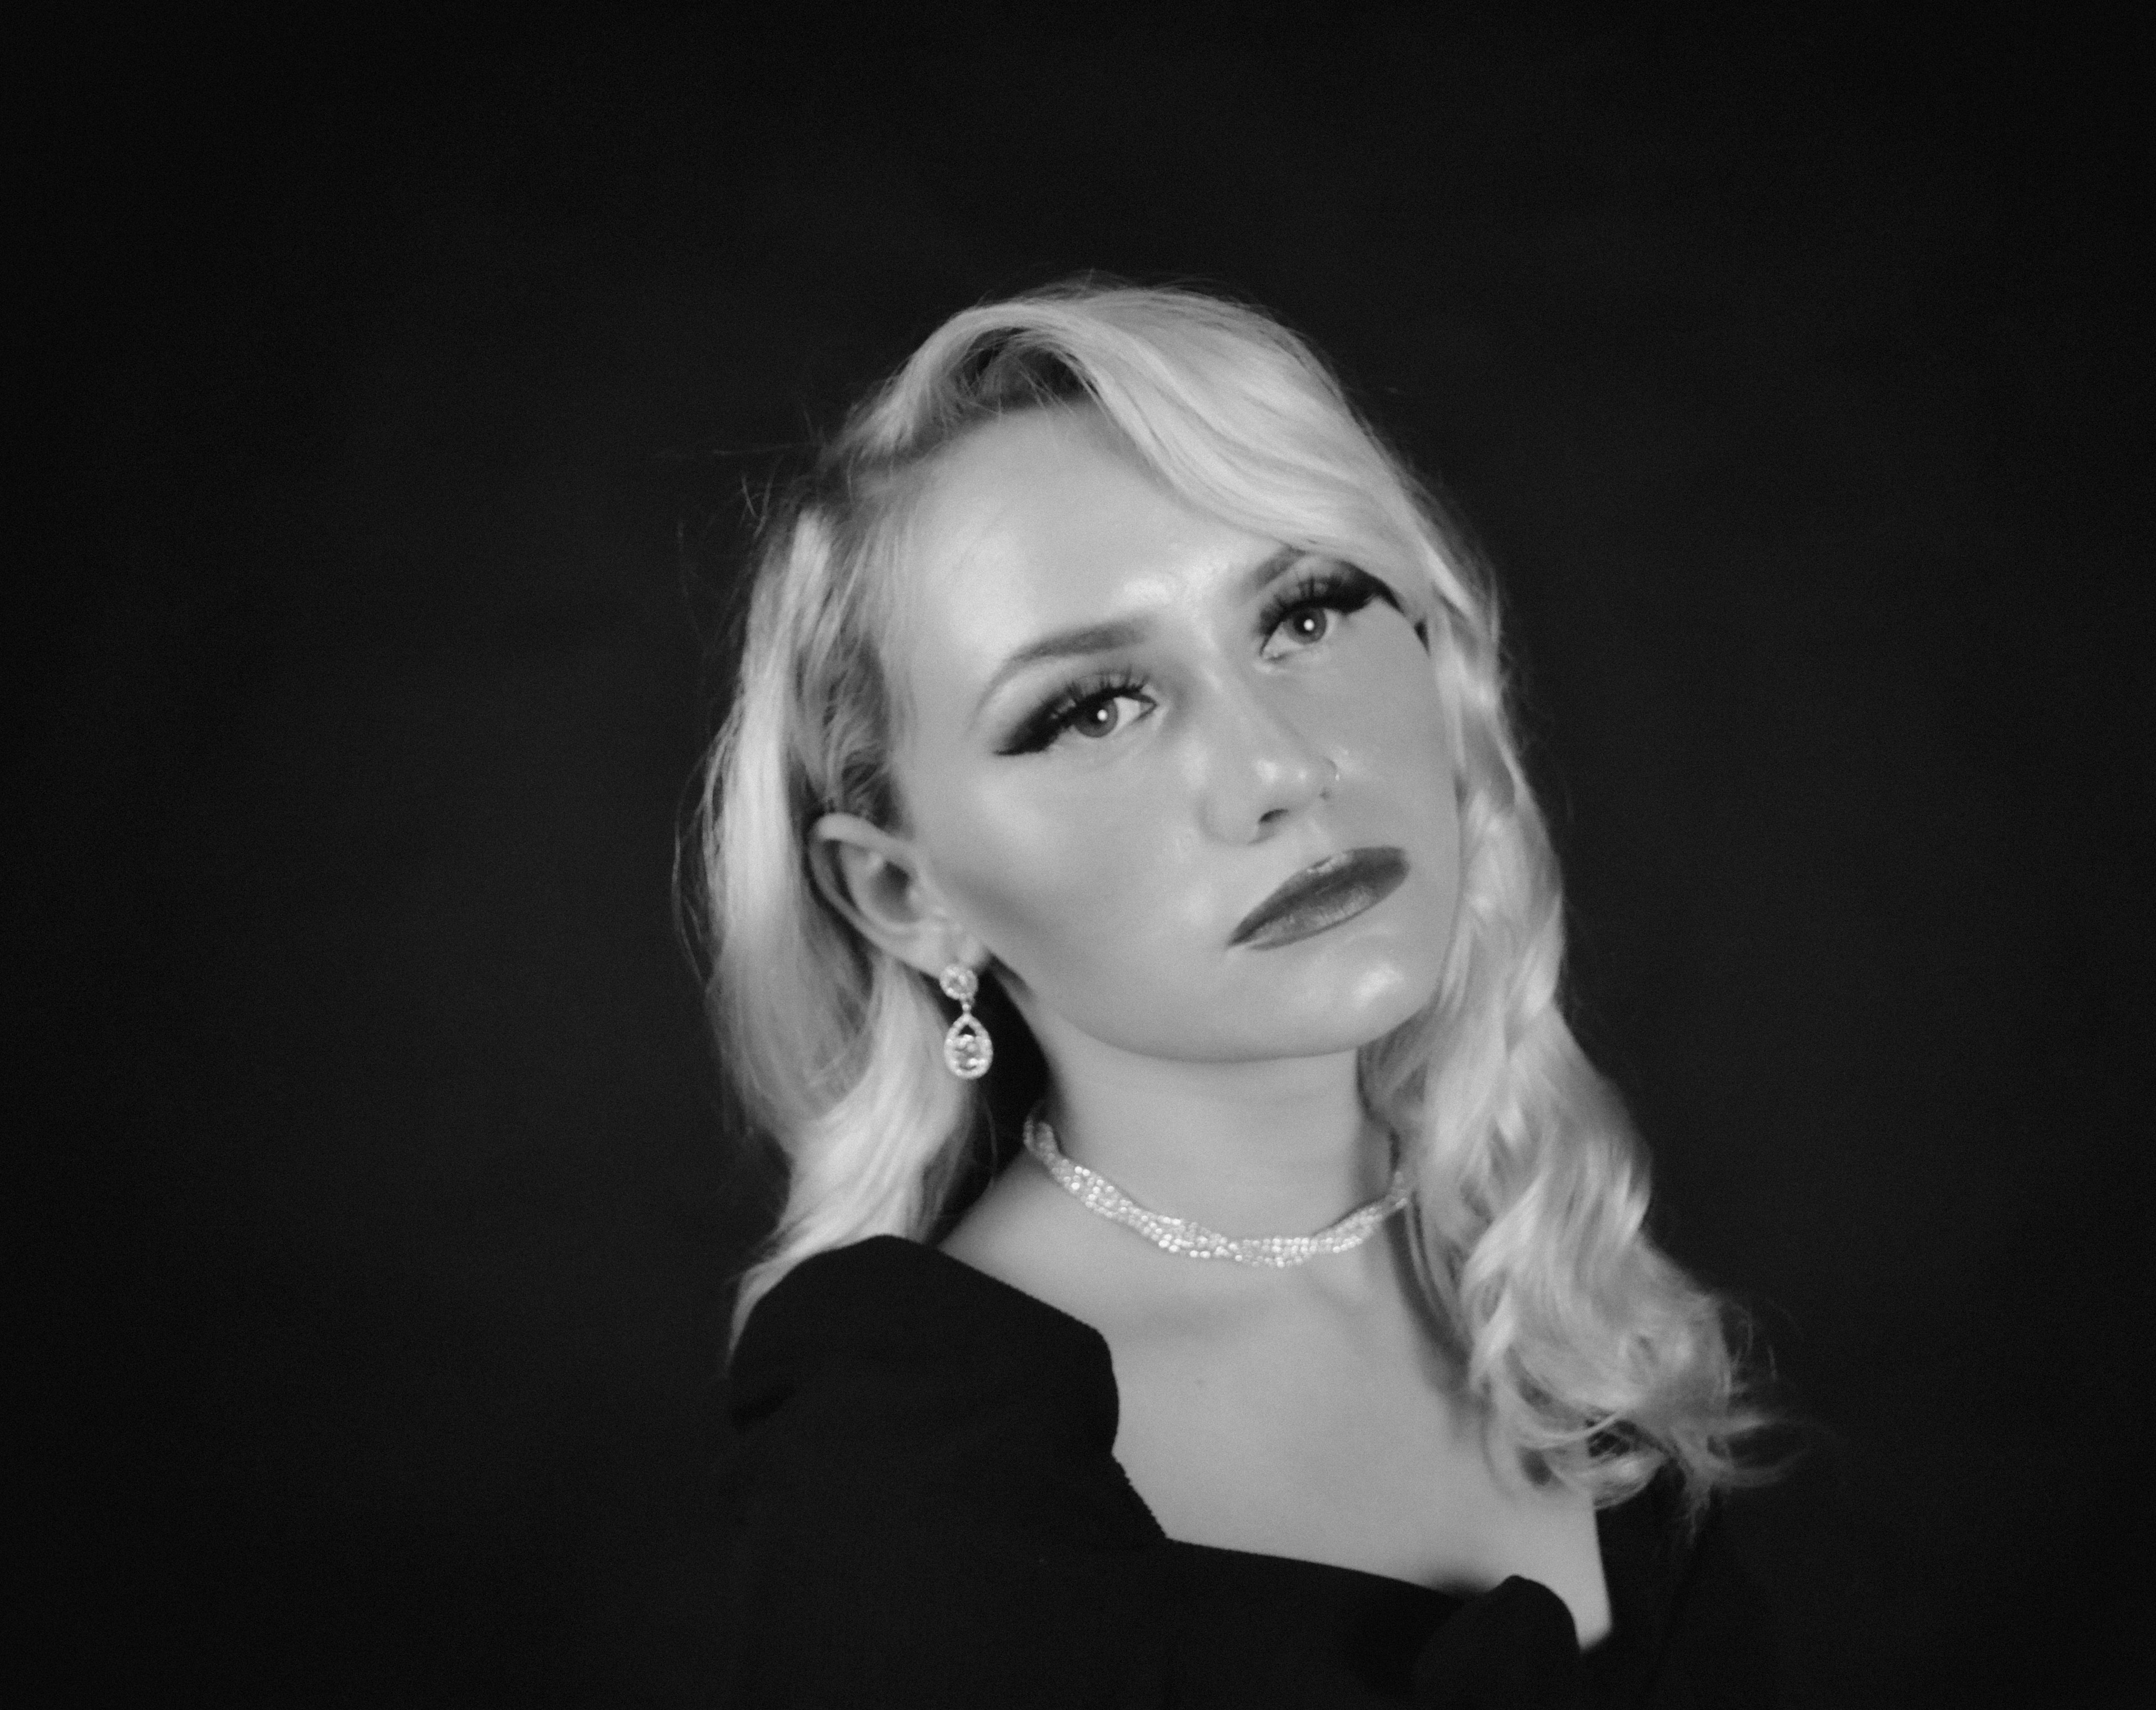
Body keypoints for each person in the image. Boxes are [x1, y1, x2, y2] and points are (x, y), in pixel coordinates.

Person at [701, 281, 1767, 1706]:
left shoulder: (1550, 1290)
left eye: (1307, 611)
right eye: (1094, 708)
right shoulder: (908, 1441)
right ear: (907, 892)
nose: (1281, 768)